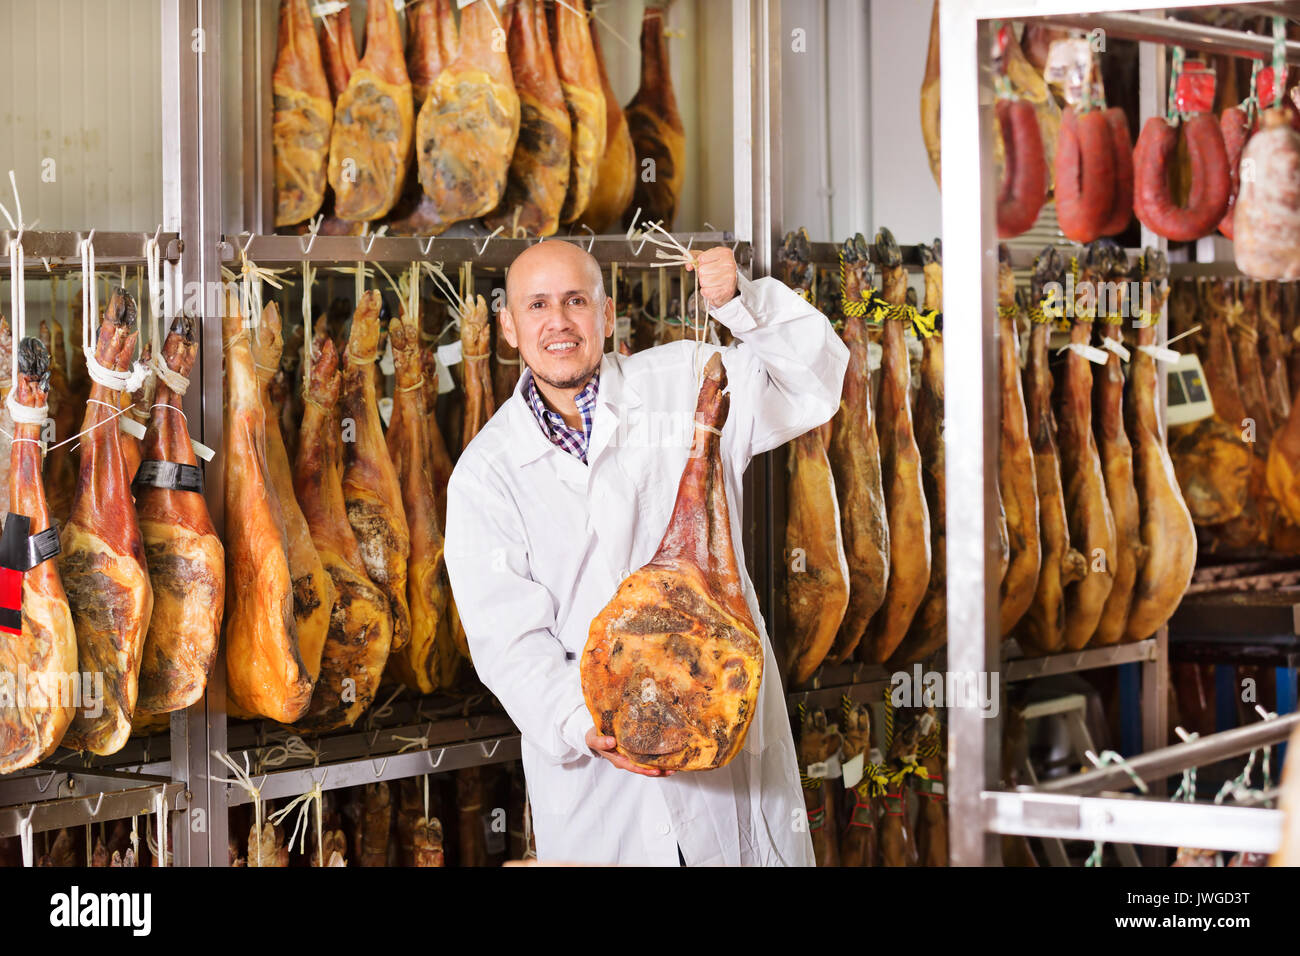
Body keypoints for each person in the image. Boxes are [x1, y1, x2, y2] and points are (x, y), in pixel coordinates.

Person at [443, 239, 848, 865]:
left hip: (726, 758)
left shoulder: (686, 380)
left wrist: (744, 302)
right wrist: (588, 723)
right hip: (599, 793)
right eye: (538, 304)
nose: (559, 322)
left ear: (607, 315)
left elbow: (816, 380)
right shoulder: (485, 473)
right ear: (508, 326)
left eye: (577, 301)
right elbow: (507, 644)